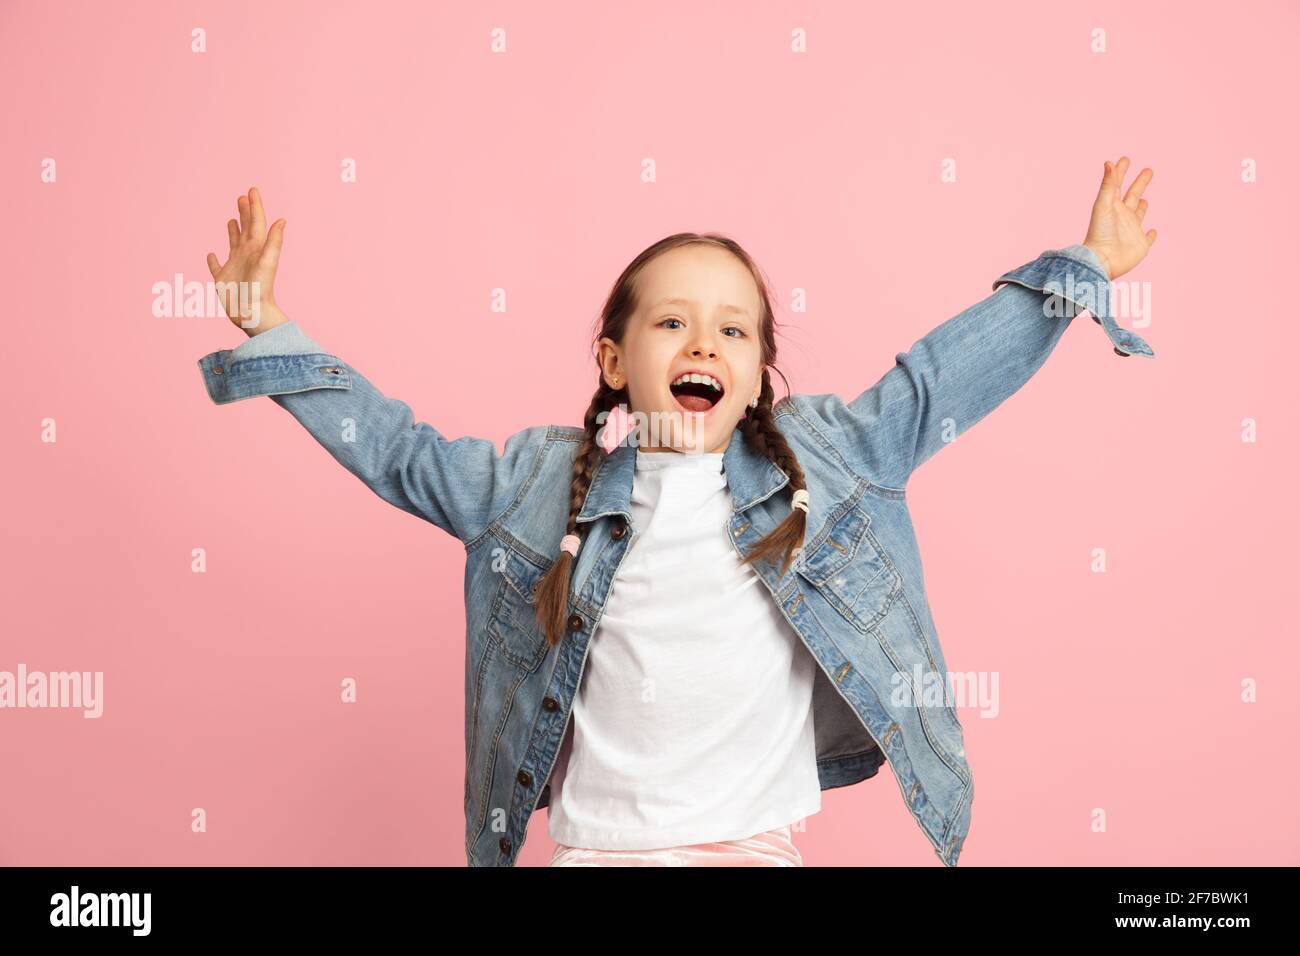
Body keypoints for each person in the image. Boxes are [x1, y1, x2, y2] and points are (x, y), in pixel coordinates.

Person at [198, 160, 1157, 866]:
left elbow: (937, 378)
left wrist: (1079, 274)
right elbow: (404, 455)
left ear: (755, 378)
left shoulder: (835, 459)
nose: (704, 340)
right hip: (597, 853)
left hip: (751, 848)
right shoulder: (534, 486)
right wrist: (272, 333)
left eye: (733, 329)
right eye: (672, 322)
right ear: (614, 362)